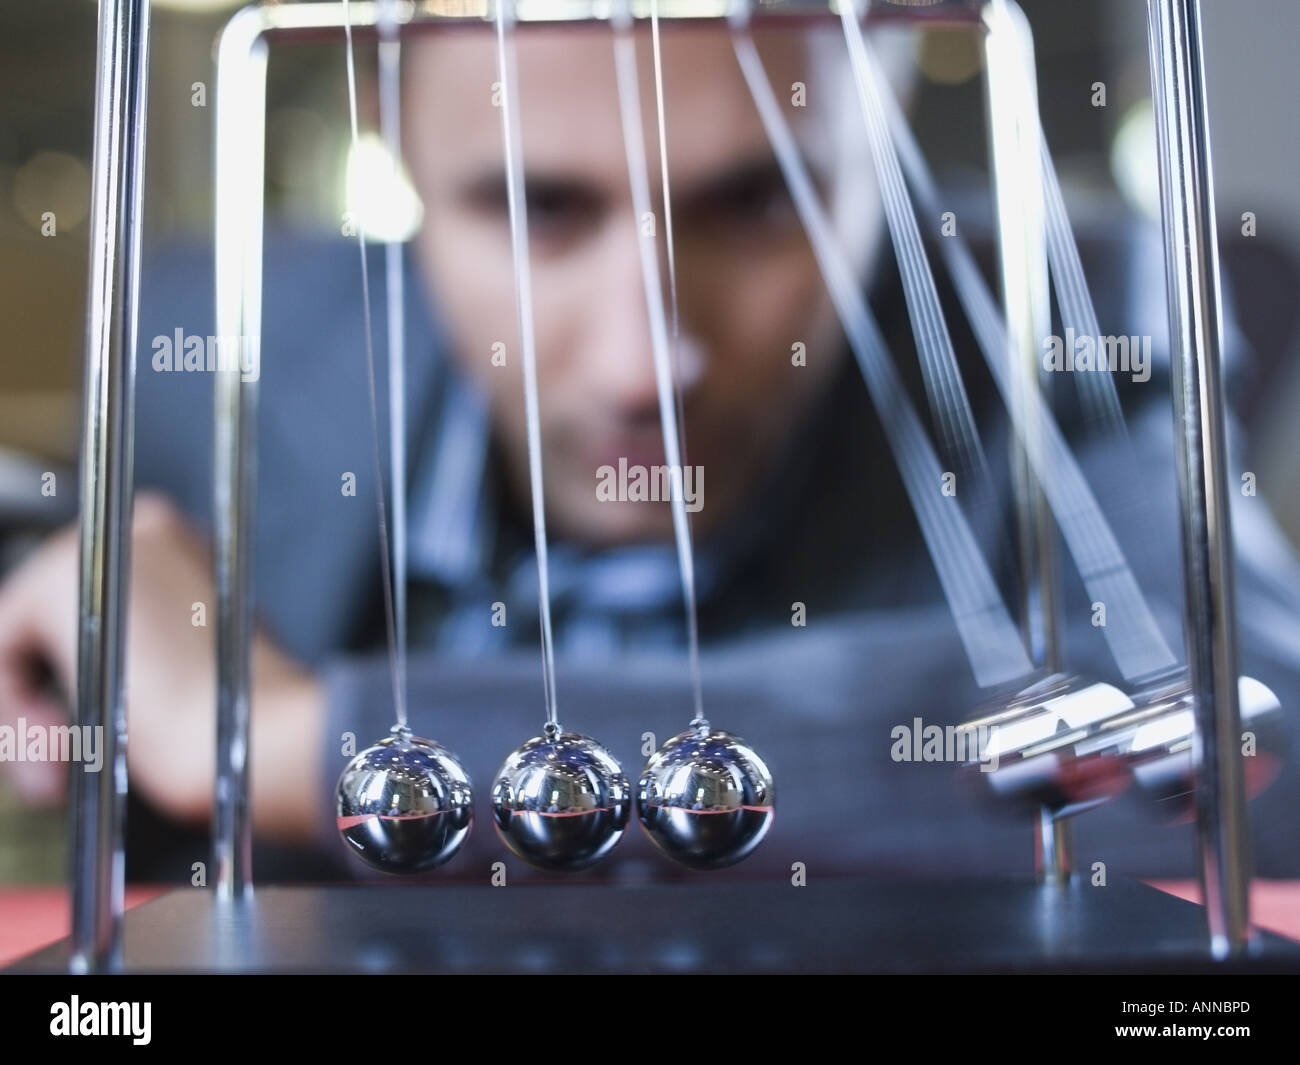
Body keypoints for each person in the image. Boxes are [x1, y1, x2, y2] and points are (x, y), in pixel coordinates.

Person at [1, 22, 1297, 884]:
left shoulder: (1075, 306)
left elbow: (1254, 742)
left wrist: (288, 740)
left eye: (757, 201)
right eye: (535, 207)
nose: (647, 364)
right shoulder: (218, 331)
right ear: (390, 125)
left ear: (886, 116)